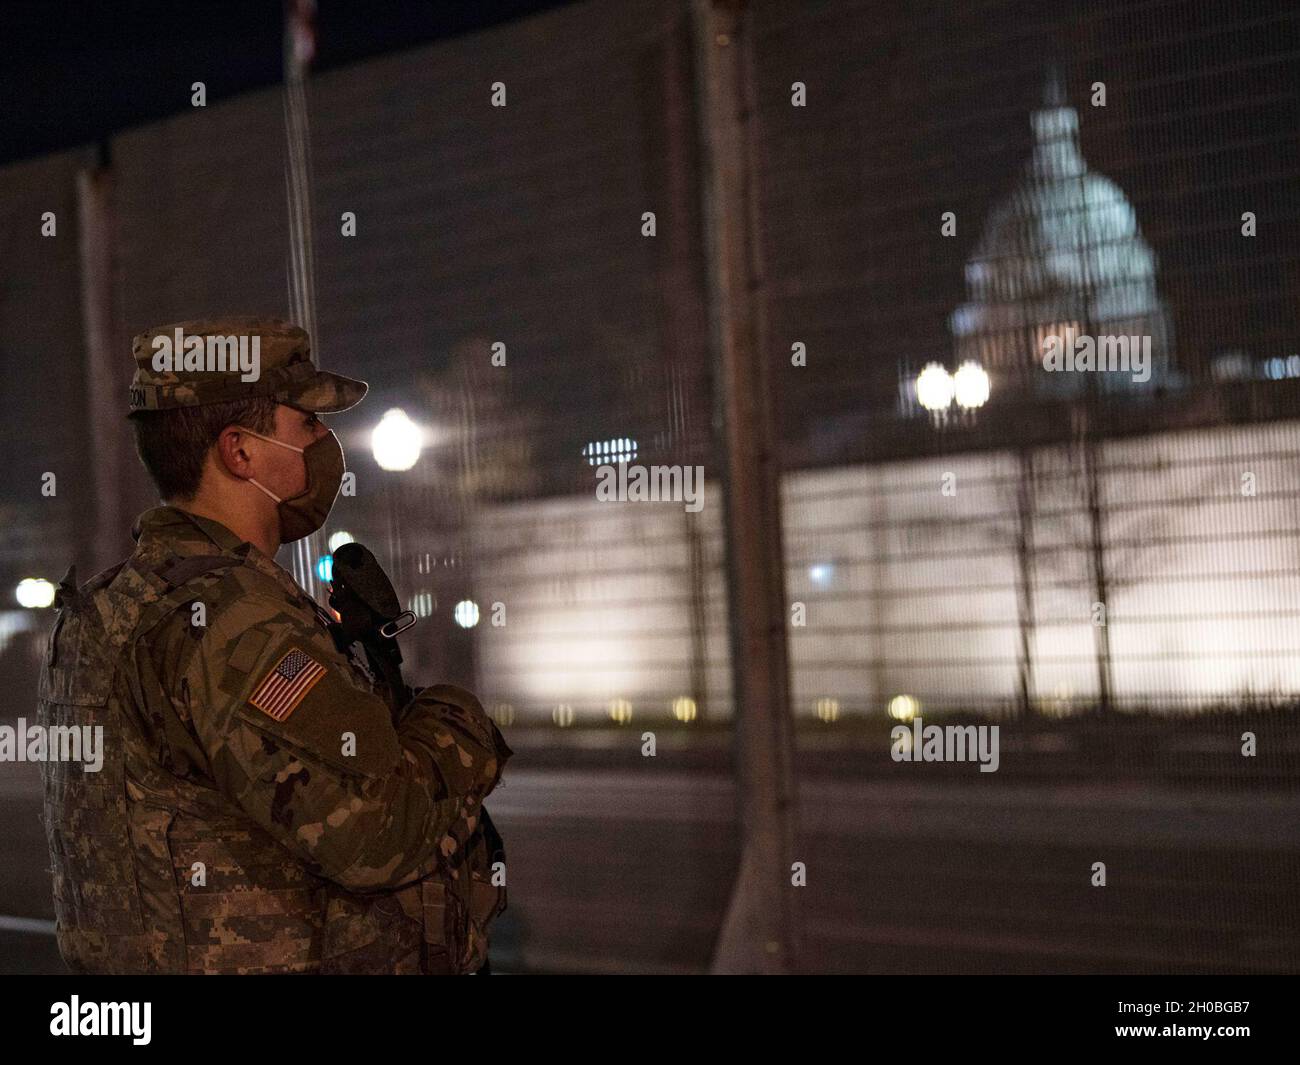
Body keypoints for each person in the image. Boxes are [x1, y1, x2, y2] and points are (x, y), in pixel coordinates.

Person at [37, 316, 512, 974]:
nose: (325, 444)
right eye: (308, 425)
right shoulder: (234, 621)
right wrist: (456, 721)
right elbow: (376, 834)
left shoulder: (99, 610)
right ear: (241, 452)